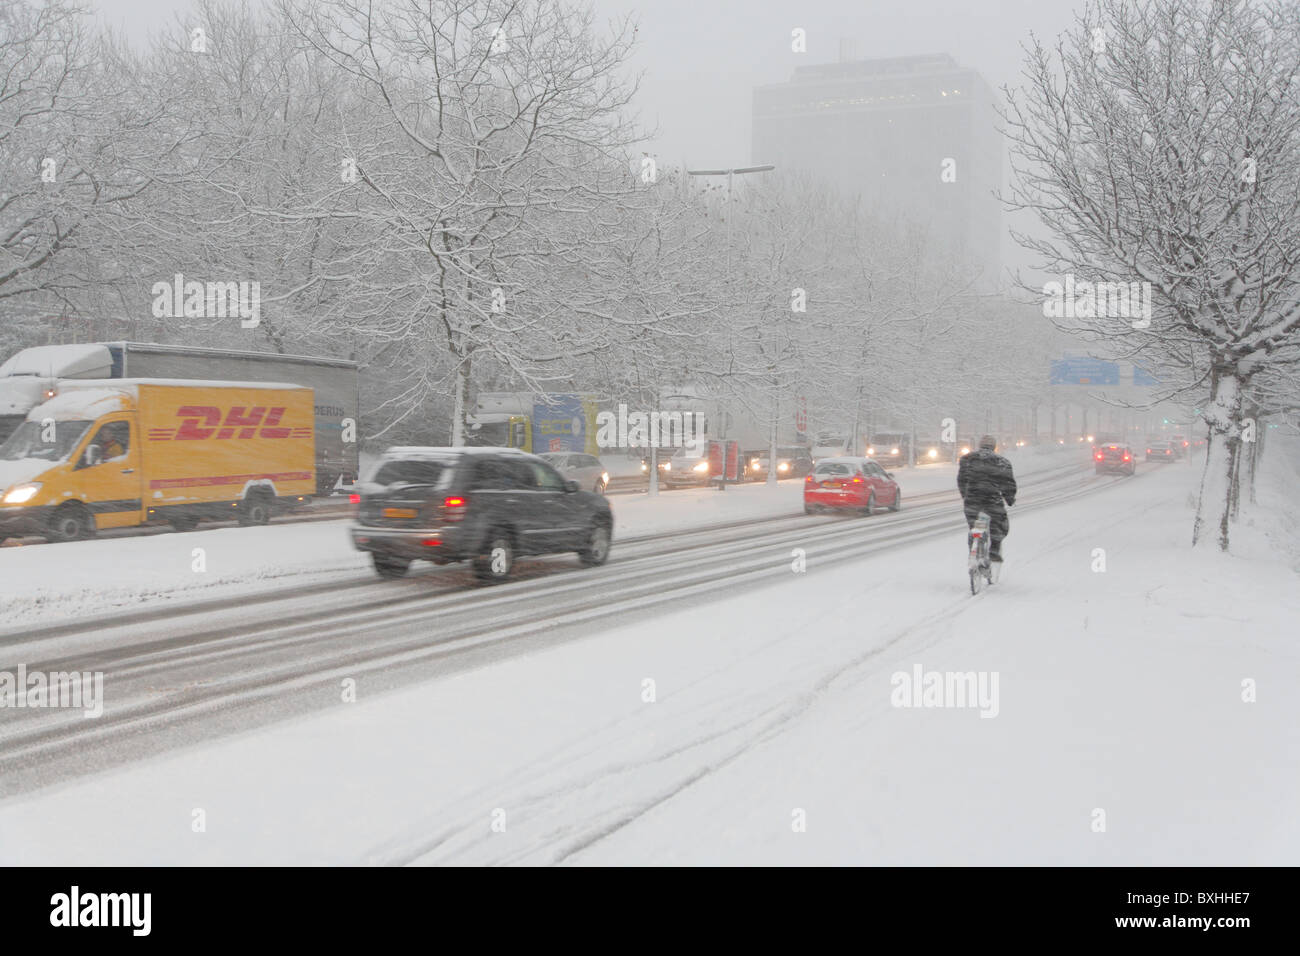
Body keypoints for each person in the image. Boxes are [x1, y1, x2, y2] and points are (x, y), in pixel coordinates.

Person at [957, 434, 1017, 563]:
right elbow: (1008, 483)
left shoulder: (967, 460)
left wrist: (965, 495)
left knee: (974, 527)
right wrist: (1009, 498)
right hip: (992, 501)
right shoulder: (1002, 462)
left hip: (972, 501)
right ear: (994, 447)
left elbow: (961, 480)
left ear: (980, 445)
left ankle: (973, 547)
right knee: (999, 525)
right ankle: (994, 551)